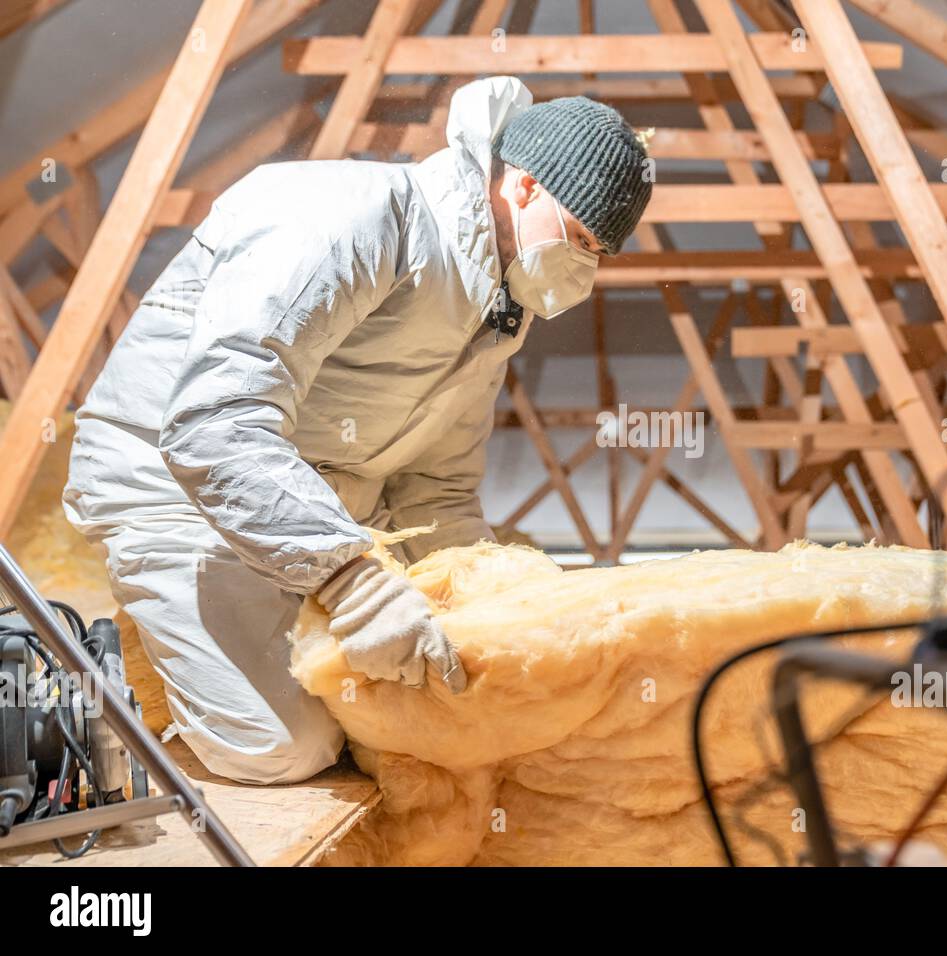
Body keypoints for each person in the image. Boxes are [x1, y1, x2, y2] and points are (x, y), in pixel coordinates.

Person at [62, 76, 653, 784]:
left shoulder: (497, 311)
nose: (584, 266)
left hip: (321, 511)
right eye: (581, 238)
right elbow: (214, 422)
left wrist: (486, 607)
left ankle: (215, 639)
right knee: (289, 748)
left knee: (409, 720)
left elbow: (434, 486)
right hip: (178, 486)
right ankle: (112, 683)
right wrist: (352, 582)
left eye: (600, 254)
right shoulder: (352, 215)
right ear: (523, 187)